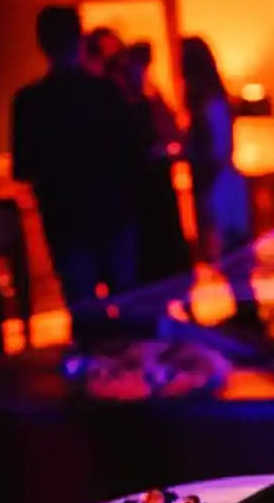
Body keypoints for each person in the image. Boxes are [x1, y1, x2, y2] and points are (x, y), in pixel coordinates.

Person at [12, 6, 142, 314]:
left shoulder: (29, 102)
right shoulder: (105, 92)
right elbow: (132, 155)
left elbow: (24, 168)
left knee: (85, 317)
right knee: (129, 312)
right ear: (79, 39)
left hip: (66, 222)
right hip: (114, 215)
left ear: (42, 43)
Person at [180, 36, 258, 324]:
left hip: (219, 183)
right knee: (232, 251)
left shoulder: (208, 103)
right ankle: (246, 309)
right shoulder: (212, 100)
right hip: (222, 182)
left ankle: (247, 311)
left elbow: (217, 148)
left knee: (230, 251)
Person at [107, 45, 191, 283]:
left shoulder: (147, 102)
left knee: (164, 258)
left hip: (156, 192)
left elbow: (172, 133)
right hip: (143, 197)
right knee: (154, 260)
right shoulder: (126, 108)